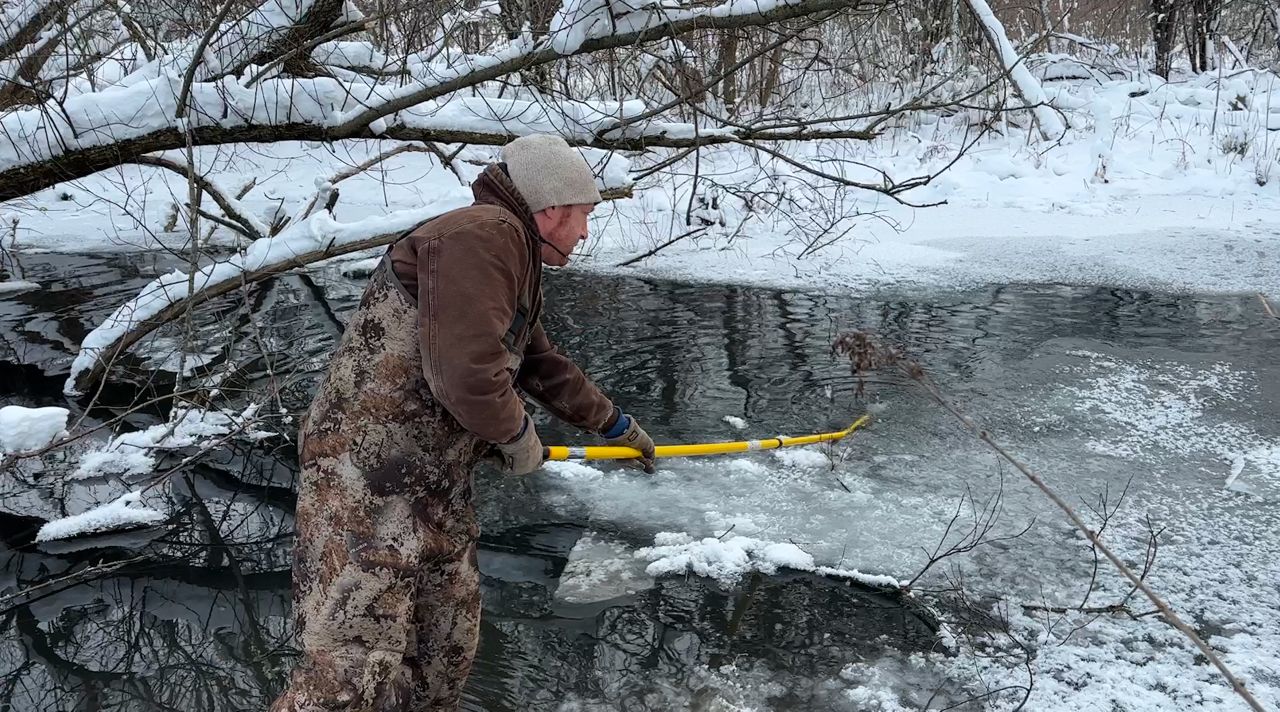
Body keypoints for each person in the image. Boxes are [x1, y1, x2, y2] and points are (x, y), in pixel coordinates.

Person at [271, 134, 656, 711]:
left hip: (434, 482)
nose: (584, 233)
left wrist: (614, 424)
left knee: (441, 655)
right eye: (583, 215)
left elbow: (538, 362)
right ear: (551, 208)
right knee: (350, 670)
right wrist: (516, 436)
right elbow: (466, 372)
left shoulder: (512, 248)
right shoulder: (482, 235)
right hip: (366, 481)